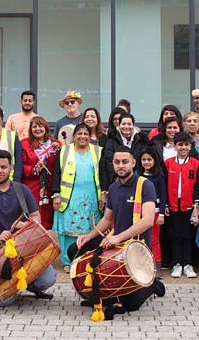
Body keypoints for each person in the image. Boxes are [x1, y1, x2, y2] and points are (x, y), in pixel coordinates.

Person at [68, 147, 167, 320]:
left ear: (133, 163)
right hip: (115, 244)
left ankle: (151, 284)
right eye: (117, 162)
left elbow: (147, 220)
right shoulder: (113, 187)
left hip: (136, 248)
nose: (120, 166)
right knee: (74, 249)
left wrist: (118, 237)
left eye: (124, 162)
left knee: (130, 305)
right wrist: (88, 236)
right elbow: (107, 219)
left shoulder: (145, 185)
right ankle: (101, 290)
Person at [0, 149, 57, 306]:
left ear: (11, 168)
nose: (0, 171)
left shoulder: (21, 190)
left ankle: (28, 284)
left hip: (26, 250)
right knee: (0, 302)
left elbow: (36, 217)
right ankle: (14, 286)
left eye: (4, 167)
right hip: (0, 254)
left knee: (49, 279)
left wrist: (23, 226)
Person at [52, 123, 104, 267]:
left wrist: (104, 193)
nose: (82, 137)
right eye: (79, 134)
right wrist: (56, 194)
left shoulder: (98, 151)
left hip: (92, 197)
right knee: (69, 229)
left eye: (85, 134)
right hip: (69, 197)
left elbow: (104, 174)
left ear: (90, 136)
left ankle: (86, 260)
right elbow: (56, 173)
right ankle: (68, 262)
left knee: (91, 228)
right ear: (74, 136)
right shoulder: (64, 151)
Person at [164, 132, 199, 278]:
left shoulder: (196, 164)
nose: (183, 147)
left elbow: (198, 185)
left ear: (190, 146)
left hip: (189, 206)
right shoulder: (168, 163)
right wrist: (166, 204)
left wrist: (197, 205)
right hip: (173, 205)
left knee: (188, 235)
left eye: (186, 145)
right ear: (175, 146)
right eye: (180, 144)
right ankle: (177, 264)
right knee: (175, 235)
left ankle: (188, 264)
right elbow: (164, 185)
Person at [19, 115, 58, 229]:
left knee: (49, 219)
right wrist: (34, 169)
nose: (37, 129)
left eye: (40, 126)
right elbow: (20, 166)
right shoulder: (24, 144)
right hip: (32, 187)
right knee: (33, 217)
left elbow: (60, 167)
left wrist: (58, 152)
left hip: (50, 188)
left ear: (46, 128)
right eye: (34, 126)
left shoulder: (55, 144)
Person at [137, 149, 167, 270]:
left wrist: (161, 214)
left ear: (155, 161)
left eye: (149, 159)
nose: (146, 162)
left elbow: (163, 196)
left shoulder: (159, 177)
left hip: (154, 212)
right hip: (139, 212)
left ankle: (156, 265)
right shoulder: (137, 176)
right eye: (144, 159)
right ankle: (141, 265)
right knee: (139, 238)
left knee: (154, 239)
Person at [102, 111, 149, 188]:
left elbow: (141, 162)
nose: (126, 127)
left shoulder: (140, 141)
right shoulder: (111, 141)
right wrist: (117, 176)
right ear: (119, 125)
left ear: (133, 126)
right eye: (123, 124)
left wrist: (134, 177)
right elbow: (109, 162)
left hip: (137, 182)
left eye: (129, 124)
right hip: (117, 181)